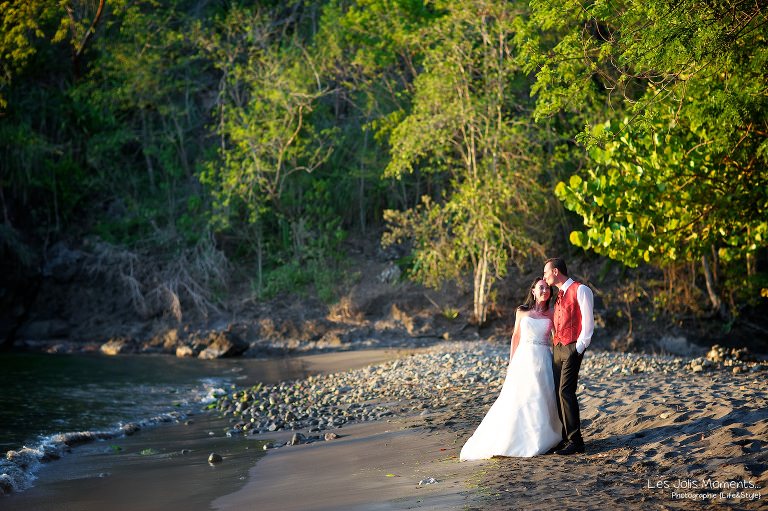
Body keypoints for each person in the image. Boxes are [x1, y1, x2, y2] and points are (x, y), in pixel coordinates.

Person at [459, 278, 562, 460]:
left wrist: (559, 359)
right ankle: (515, 437)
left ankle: (542, 437)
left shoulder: (552, 313)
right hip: (524, 357)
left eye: (547, 289)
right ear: (533, 291)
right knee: (519, 397)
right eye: (541, 288)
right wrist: (512, 362)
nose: (545, 291)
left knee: (540, 396)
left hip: (543, 357)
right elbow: (516, 336)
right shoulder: (522, 311)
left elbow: (556, 339)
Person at [543, 257, 594, 455]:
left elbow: (588, 324)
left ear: (556, 271)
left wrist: (578, 348)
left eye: (546, 272)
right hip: (558, 348)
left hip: (573, 347)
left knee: (566, 391)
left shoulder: (581, 290)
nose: (545, 276)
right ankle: (566, 438)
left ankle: (576, 441)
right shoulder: (558, 295)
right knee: (558, 392)